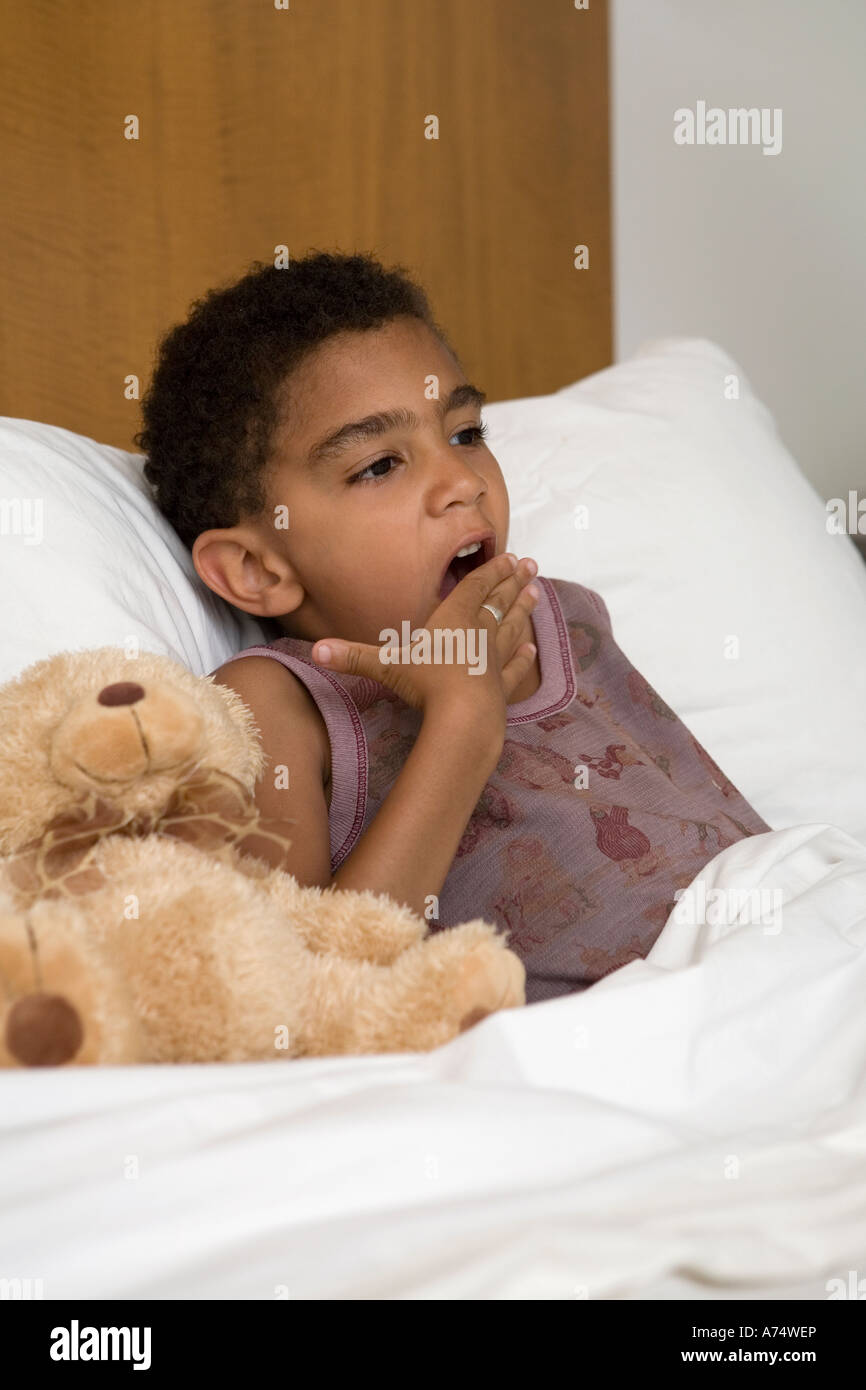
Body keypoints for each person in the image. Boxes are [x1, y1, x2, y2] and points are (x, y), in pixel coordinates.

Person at [136, 251, 771, 1004]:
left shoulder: (566, 617)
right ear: (257, 570)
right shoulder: (278, 704)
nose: (464, 482)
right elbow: (297, 996)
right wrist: (464, 719)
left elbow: (737, 843)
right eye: (379, 466)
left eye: (466, 433)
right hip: (630, 1035)